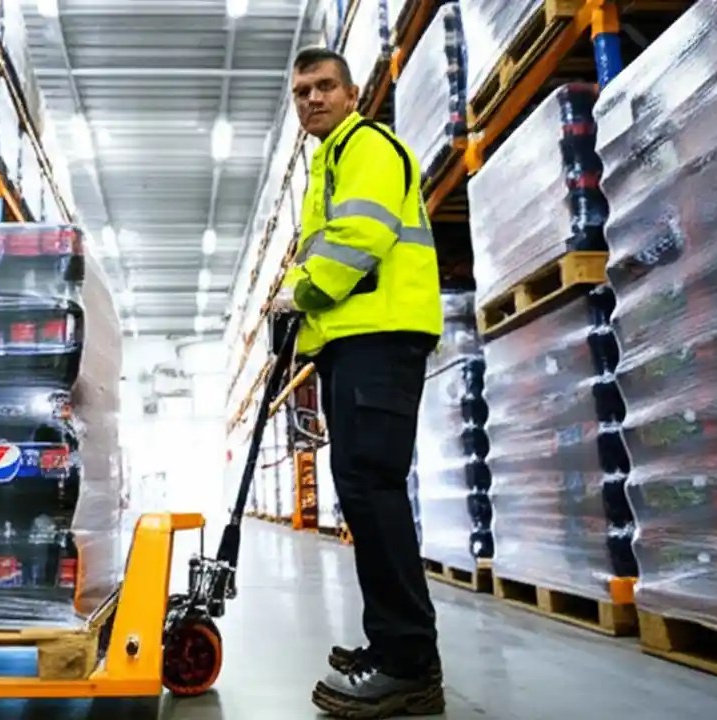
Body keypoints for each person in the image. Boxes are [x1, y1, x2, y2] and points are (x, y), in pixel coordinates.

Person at [270, 46, 445, 718]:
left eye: (323, 87)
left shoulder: (366, 145)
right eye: (301, 92)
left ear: (351, 93)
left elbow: (361, 237)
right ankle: (393, 647)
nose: (311, 99)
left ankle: (408, 665)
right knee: (364, 491)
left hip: (381, 335)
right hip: (357, 340)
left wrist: (303, 291)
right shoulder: (329, 161)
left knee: (372, 488)